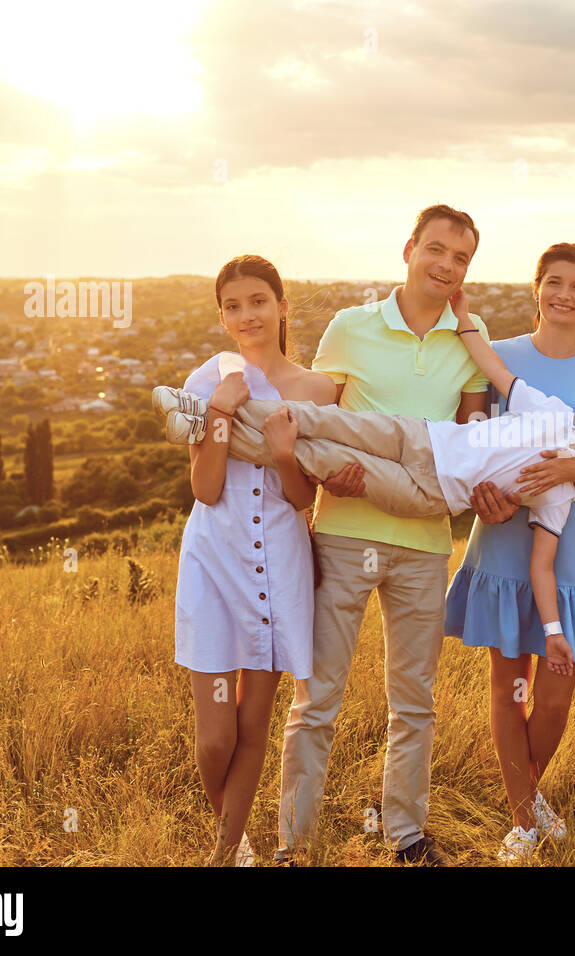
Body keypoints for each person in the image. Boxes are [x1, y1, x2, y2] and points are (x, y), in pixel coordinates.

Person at [152, 299, 575, 674]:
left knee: (321, 455)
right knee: (321, 421)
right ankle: (211, 412)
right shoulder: (549, 409)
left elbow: (542, 566)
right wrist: (464, 322)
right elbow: (496, 369)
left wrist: (552, 633)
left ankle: (204, 425)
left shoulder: (560, 495)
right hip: (424, 437)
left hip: (428, 493)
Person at [267, 205, 504, 865]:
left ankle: (405, 836)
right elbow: (319, 425)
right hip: (343, 532)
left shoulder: (470, 342)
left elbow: (470, 443)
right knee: (317, 700)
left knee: (414, 703)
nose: (444, 265)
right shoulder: (350, 328)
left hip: (426, 543)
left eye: (459, 258)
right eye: (435, 250)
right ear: (409, 249)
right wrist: (324, 483)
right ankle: (294, 844)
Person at [444, 243, 575, 861]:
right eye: (554, 282)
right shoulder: (504, 357)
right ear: (537, 286)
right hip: (506, 542)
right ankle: (523, 819)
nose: (564, 295)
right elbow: (473, 442)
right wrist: (487, 498)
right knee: (508, 685)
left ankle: (527, 794)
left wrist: (567, 465)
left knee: (556, 694)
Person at [173, 254, 336, 866]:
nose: (248, 315)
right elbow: (207, 488)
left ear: (282, 305)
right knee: (217, 737)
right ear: (222, 316)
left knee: (255, 724)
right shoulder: (205, 381)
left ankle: (224, 855)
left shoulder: (316, 390)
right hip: (215, 563)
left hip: (280, 566)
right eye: (234, 306)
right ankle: (234, 840)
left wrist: (285, 453)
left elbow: (302, 498)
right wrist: (219, 411)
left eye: (259, 301)